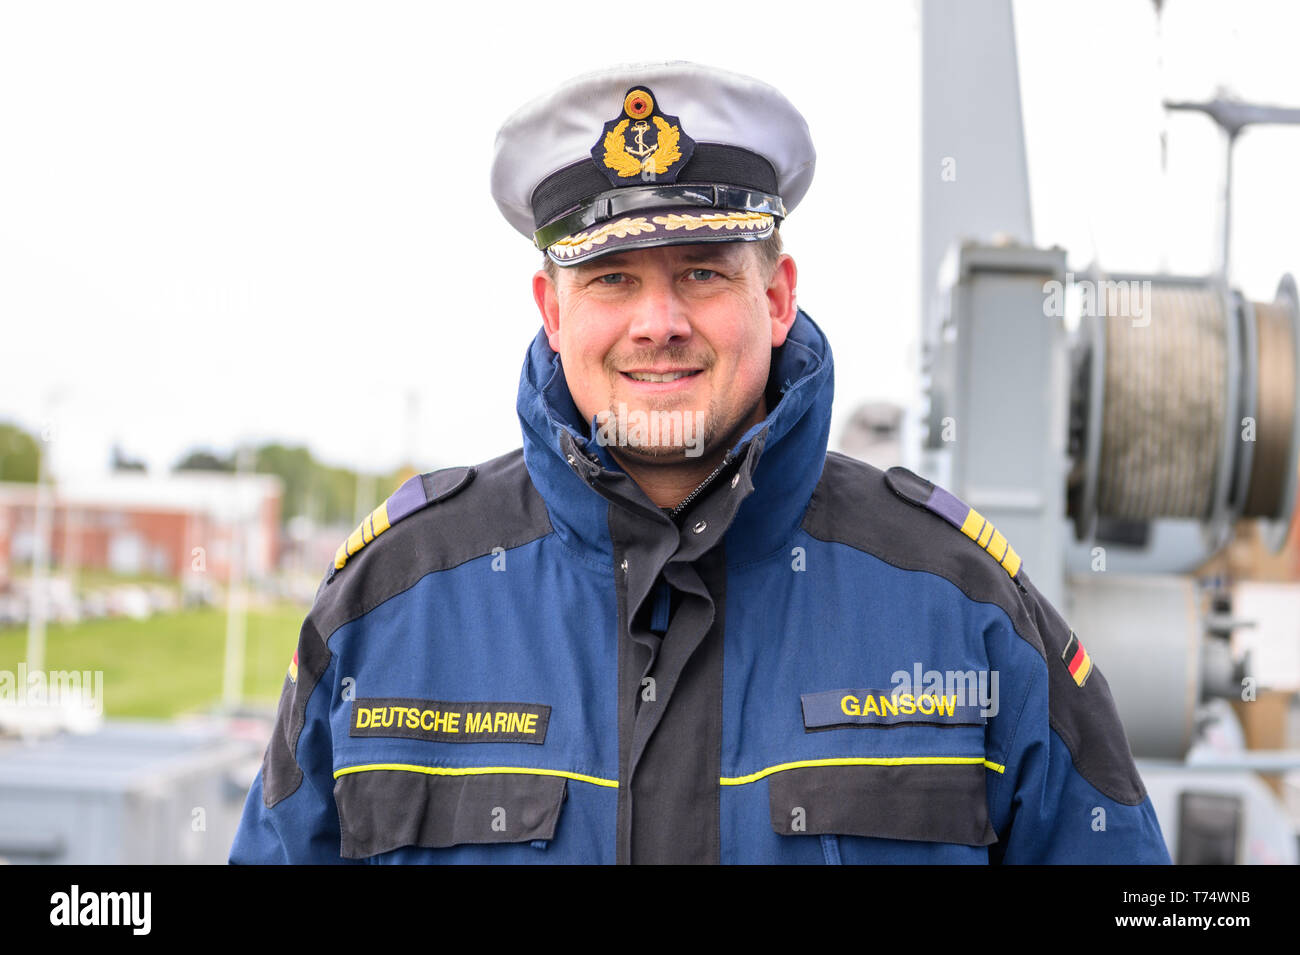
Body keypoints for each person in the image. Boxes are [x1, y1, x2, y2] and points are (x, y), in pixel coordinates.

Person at [229, 61, 1171, 864]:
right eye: (612, 278)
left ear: (778, 297)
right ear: (552, 312)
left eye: (703, 272)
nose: (659, 322)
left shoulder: (961, 607)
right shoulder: (392, 607)